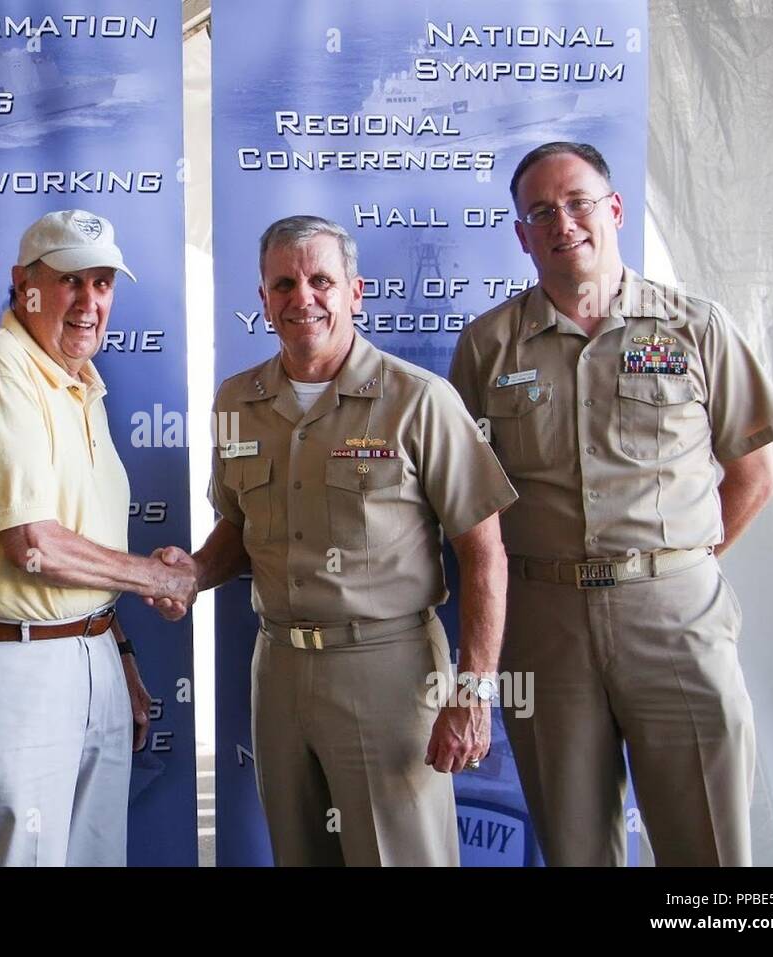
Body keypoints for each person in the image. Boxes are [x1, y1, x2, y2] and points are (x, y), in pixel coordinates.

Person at [449, 141, 773, 866]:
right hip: (547, 624)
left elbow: (754, 474)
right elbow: (471, 507)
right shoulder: (487, 348)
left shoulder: (696, 328)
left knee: (711, 849)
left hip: (675, 619)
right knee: (573, 846)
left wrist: (678, 567)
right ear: (521, 234)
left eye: (577, 202)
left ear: (614, 209)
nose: (561, 222)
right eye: (540, 212)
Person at [155, 215, 517, 866]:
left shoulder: (418, 400)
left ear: (356, 291)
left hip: (390, 671)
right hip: (281, 672)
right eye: (284, 283)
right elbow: (238, 526)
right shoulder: (237, 402)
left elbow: (483, 551)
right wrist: (193, 571)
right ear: (263, 299)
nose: (303, 297)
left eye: (321, 279)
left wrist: (474, 693)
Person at [0, 209, 192, 866]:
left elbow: (77, 547)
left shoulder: (80, 383)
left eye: (103, 283)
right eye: (70, 281)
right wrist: (158, 577)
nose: (90, 301)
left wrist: (114, 650)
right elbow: (32, 543)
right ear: (23, 284)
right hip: (6, 664)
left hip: (82, 657)